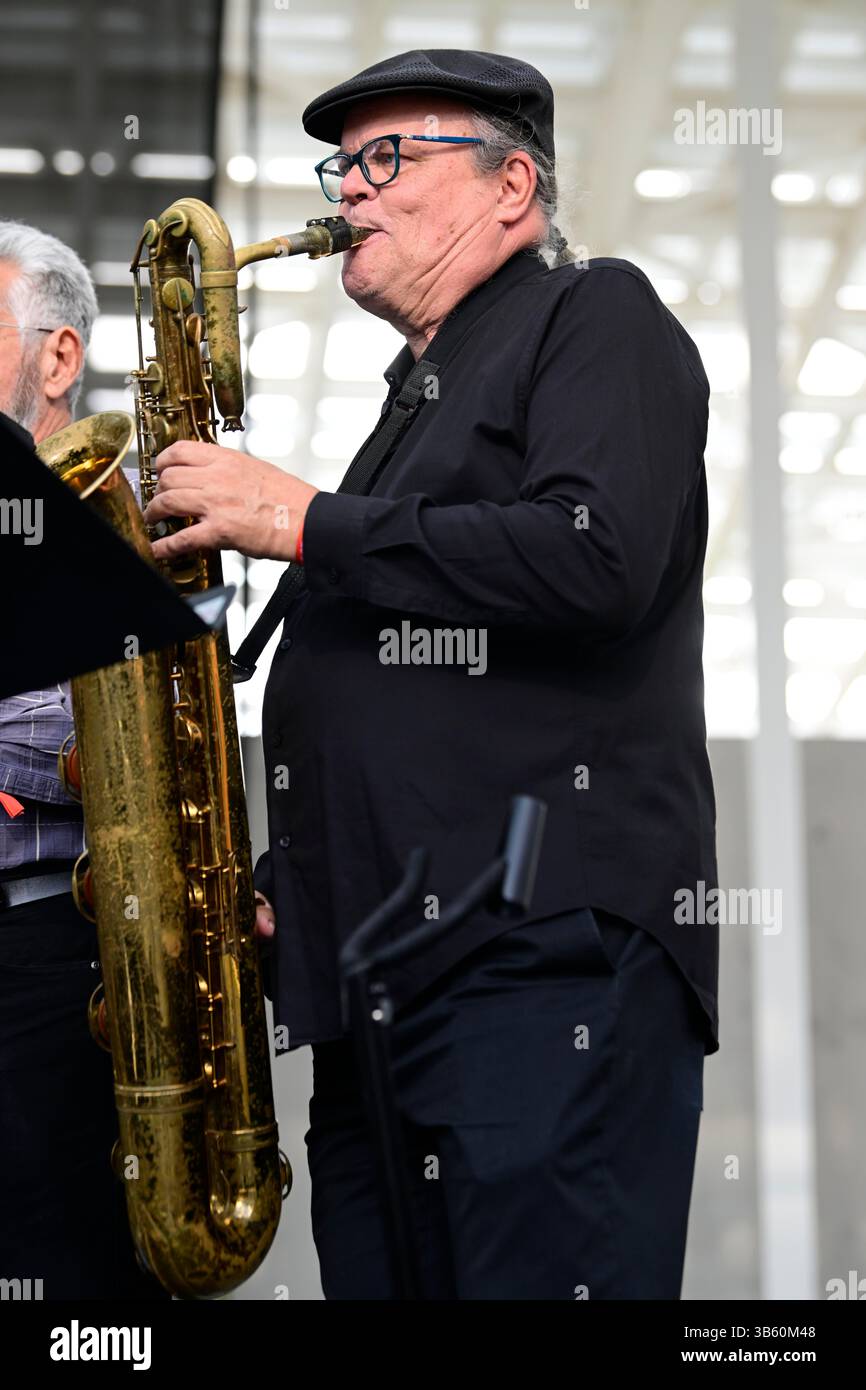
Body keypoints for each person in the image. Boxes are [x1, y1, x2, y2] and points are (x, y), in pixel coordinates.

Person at [145, 50, 720, 1300]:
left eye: (386, 159)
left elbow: (595, 557)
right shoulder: (409, 404)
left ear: (513, 184)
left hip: (532, 968)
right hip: (383, 996)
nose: (348, 192)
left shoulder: (595, 311)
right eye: (340, 167)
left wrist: (301, 520)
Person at [0, 221, 168, 1300]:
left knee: (71, 1287)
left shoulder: (128, 515)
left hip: (53, 956)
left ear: (56, 358)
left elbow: (124, 736)